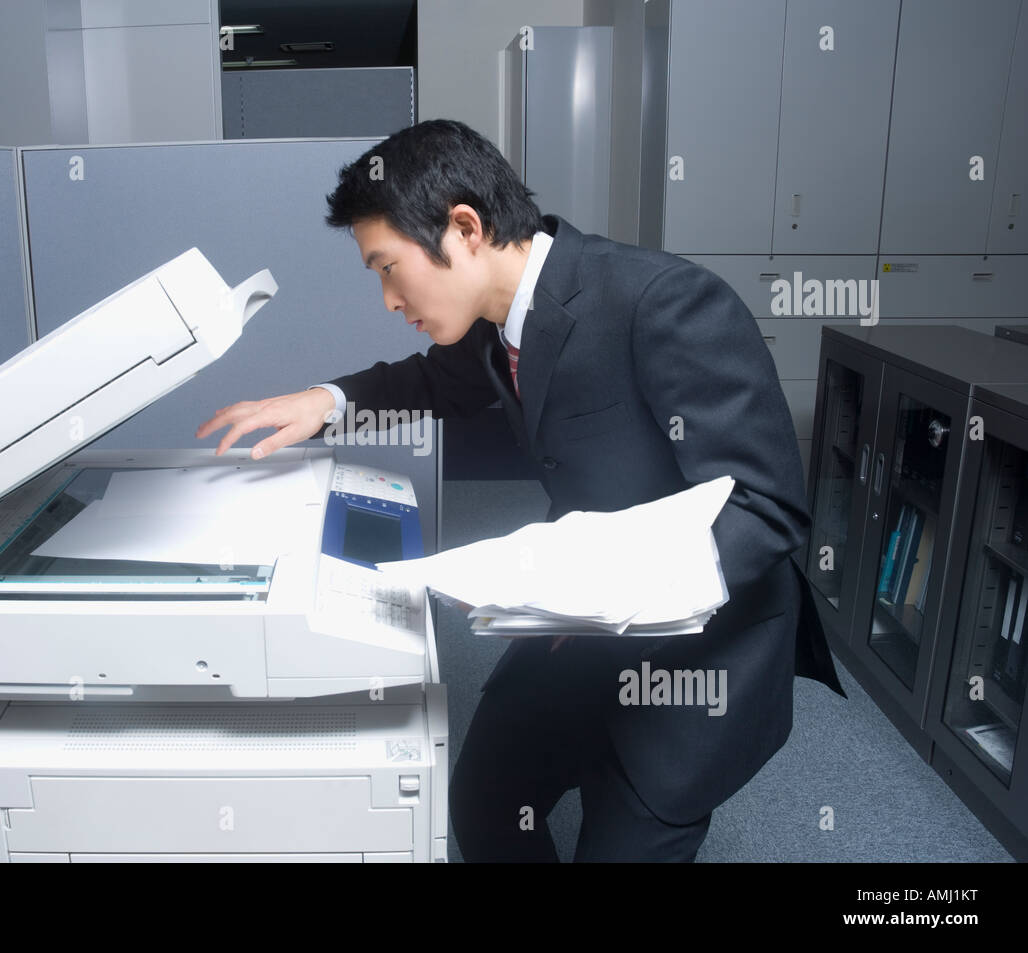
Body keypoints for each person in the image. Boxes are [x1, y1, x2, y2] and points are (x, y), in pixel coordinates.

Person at [195, 118, 844, 862]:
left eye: (386, 267)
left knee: (625, 831)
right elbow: (430, 382)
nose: (386, 299)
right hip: (580, 621)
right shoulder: (497, 321)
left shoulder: (664, 303)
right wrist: (328, 401)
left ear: (465, 227)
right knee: (486, 799)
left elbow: (766, 508)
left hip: (698, 652)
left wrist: (600, 583)